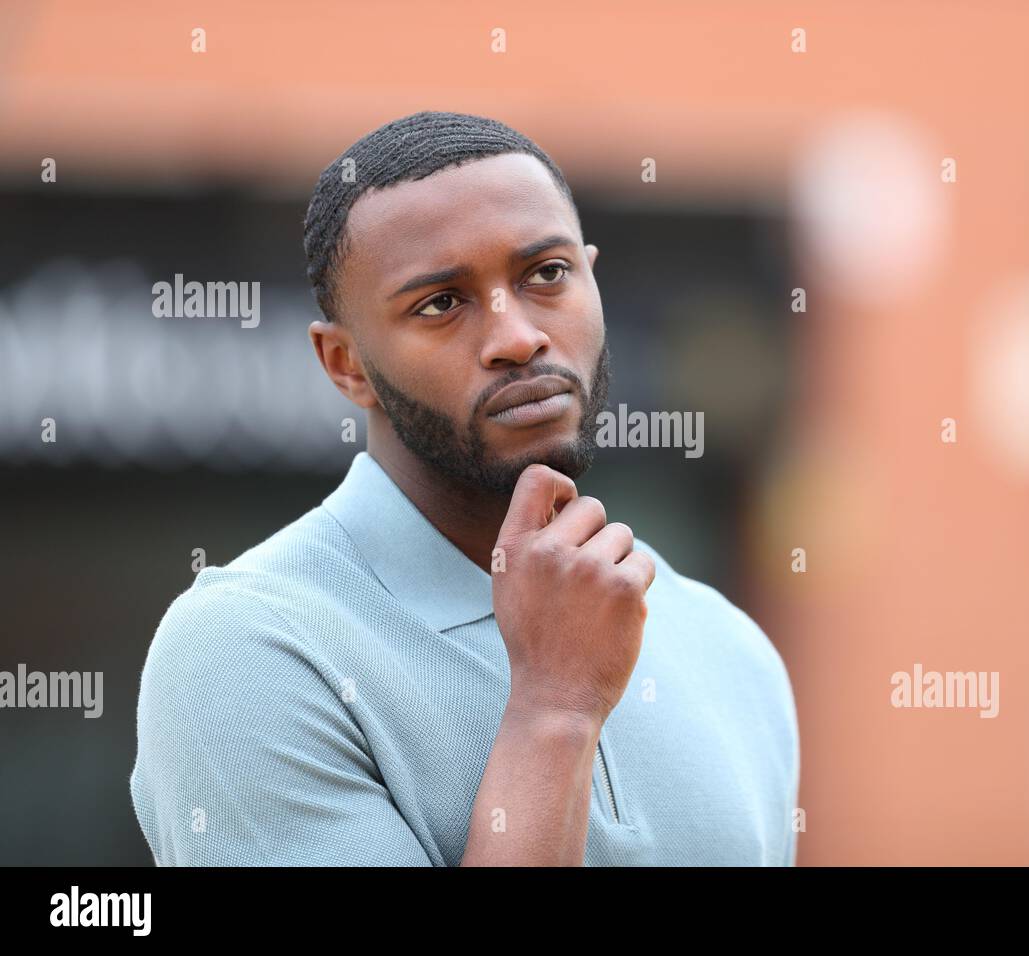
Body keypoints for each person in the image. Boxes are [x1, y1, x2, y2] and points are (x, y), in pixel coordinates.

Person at [129, 111, 799, 865]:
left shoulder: (728, 648)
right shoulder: (248, 653)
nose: (517, 338)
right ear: (346, 364)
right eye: (441, 303)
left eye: (547, 274)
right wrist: (555, 707)